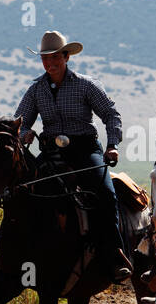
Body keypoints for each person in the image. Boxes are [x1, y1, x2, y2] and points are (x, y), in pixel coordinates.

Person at [15, 30, 132, 283]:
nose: (50, 63)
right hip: (50, 152)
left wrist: (112, 144)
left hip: (84, 150)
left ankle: (114, 254)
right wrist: (25, 134)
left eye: (55, 57)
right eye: (45, 58)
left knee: (105, 193)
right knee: (21, 191)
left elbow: (111, 115)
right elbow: (20, 121)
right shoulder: (36, 90)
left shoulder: (86, 85)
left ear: (66, 57)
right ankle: (12, 259)